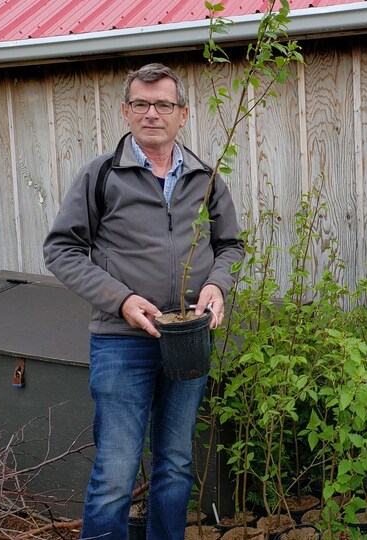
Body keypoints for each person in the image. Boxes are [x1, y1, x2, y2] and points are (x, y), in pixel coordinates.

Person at [44, 63, 244, 538]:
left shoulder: (206, 177)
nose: (152, 113)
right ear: (126, 111)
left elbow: (231, 246)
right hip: (121, 342)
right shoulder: (101, 175)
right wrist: (121, 300)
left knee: (175, 465)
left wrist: (216, 284)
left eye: (164, 105)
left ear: (183, 114)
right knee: (114, 475)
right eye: (141, 104)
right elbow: (61, 249)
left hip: (189, 337)